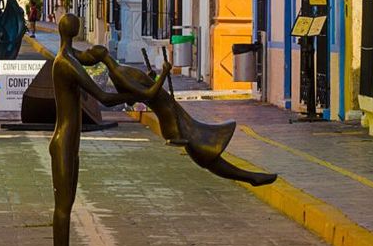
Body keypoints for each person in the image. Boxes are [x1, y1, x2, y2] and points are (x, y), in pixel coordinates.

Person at [49, 15, 169, 246]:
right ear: (76, 30)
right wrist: (133, 93)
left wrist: (107, 59)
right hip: (63, 140)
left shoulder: (70, 56)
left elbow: (91, 57)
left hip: (71, 140)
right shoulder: (66, 64)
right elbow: (102, 96)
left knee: (68, 200)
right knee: (63, 202)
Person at [81, 45, 277, 187]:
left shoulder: (118, 73)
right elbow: (147, 96)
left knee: (206, 156)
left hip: (174, 114)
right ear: (104, 53)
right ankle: (250, 177)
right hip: (170, 118)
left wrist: (150, 78)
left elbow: (132, 98)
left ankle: (251, 177)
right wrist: (164, 74)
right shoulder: (120, 73)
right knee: (206, 156)